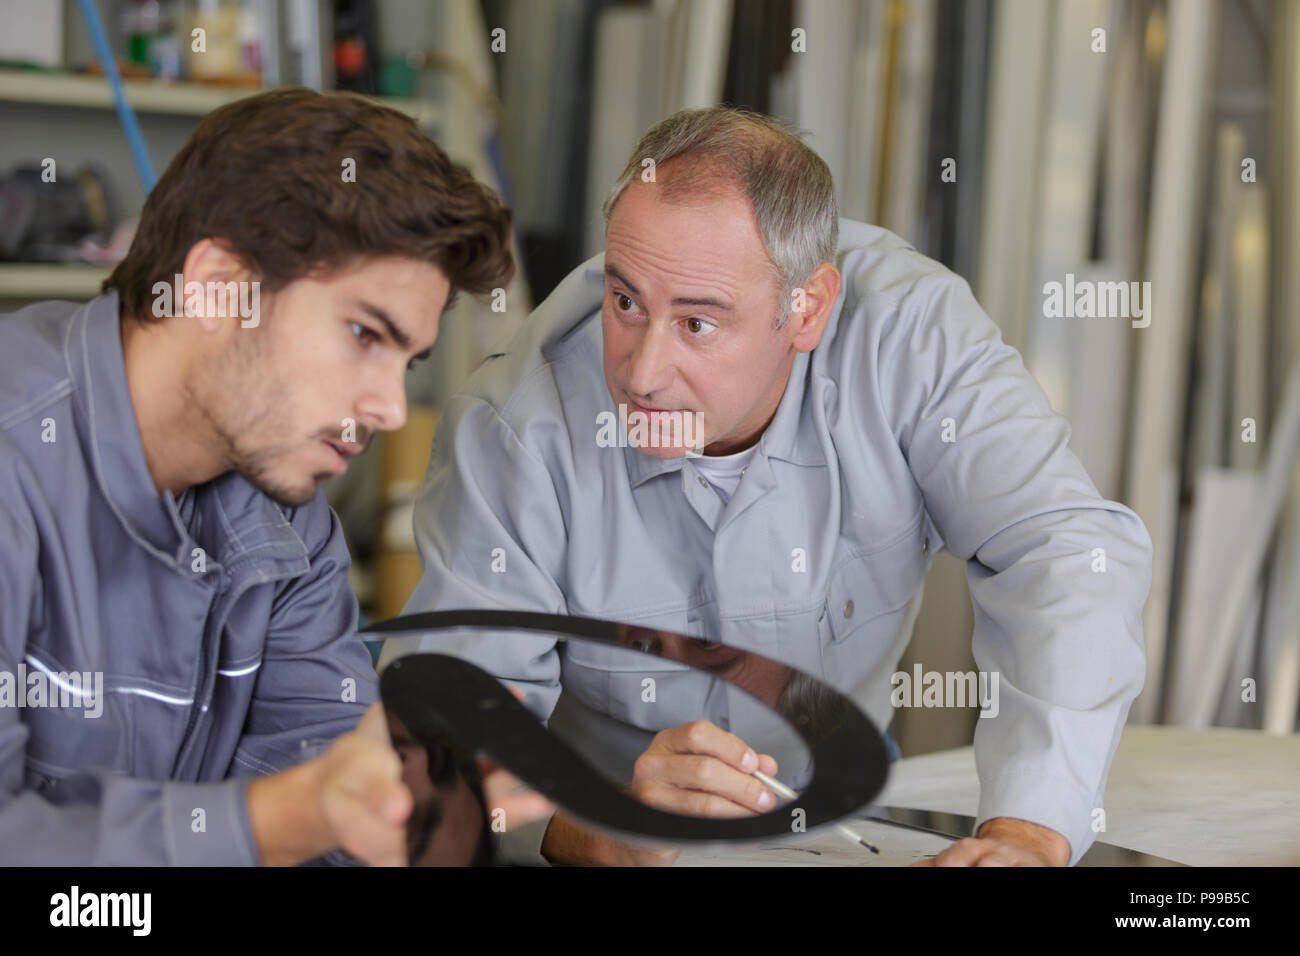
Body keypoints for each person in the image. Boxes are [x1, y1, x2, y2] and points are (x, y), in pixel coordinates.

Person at [384, 106, 1154, 867]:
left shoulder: (910, 339)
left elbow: (1065, 551)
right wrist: (599, 833)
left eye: (697, 324)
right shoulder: (516, 428)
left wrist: (1026, 833)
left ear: (807, 309)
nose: (642, 375)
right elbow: (448, 737)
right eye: (626, 302)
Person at [0, 87, 550, 865]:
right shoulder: (16, 460)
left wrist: (408, 818)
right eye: (364, 334)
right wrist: (286, 818)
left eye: (409, 362)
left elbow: (332, 798)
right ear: (218, 286)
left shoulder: (286, 520)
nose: (391, 409)